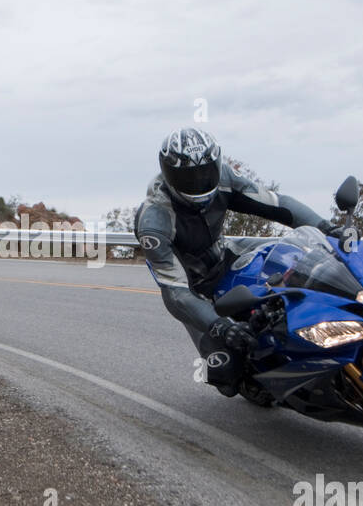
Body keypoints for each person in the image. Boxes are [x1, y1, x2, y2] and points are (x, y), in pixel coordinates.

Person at [134, 127, 343, 401]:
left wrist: (326, 227)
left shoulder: (223, 178)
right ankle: (258, 380)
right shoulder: (154, 221)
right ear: (168, 174)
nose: (199, 182)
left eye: (205, 171)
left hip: (226, 254)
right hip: (193, 287)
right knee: (225, 374)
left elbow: (277, 204)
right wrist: (220, 325)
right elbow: (175, 292)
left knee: (299, 256)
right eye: (188, 177)